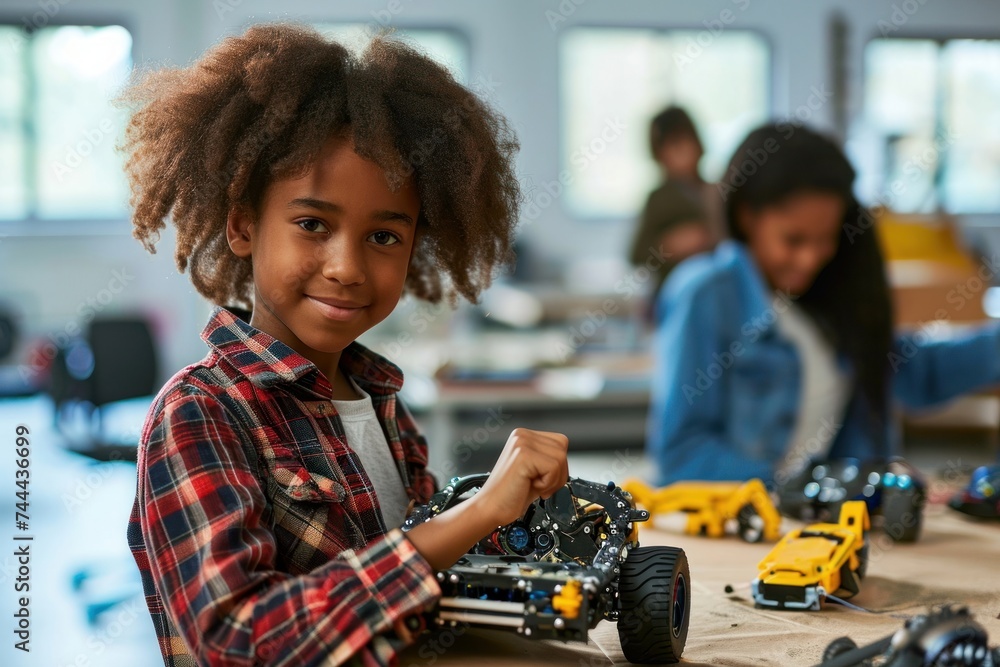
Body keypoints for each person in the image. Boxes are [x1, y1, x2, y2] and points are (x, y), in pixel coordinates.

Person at [119, 24, 569, 666]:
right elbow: (237, 642)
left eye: (384, 236)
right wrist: (467, 521)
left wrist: (514, 521)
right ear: (244, 225)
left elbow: (429, 595)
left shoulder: (383, 403)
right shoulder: (198, 415)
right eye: (312, 225)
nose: (347, 267)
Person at [646, 123, 1000, 486]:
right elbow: (681, 455)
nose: (810, 259)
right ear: (747, 217)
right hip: (752, 530)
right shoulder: (706, 295)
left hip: (823, 530)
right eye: (793, 240)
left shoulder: (821, 300)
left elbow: (914, 371)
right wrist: (805, 488)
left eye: (825, 239)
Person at [628, 106, 724, 304]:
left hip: (716, 292)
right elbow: (636, 253)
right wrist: (668, 246)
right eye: (672, 145)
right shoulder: (658, 199)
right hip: (675, 298)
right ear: (659, 155)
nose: (681, 151)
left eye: (684, 141)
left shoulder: (717, 192)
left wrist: (709, 238)